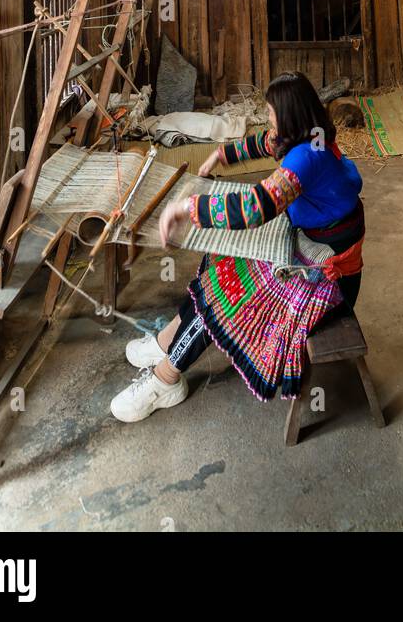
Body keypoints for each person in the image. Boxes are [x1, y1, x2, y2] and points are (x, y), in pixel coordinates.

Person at [110, 72, 365, 421]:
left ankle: (167, 379)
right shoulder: (308, 134)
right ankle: (166, 342)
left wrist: (187, 208)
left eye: (273, 112)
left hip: (327, 274)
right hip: (310, 242)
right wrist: (220, 155)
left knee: (227, 293)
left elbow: (256, 207)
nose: (269, 118)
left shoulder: (308, 157)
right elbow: (264, 143)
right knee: (220, 260)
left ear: (290, 115)